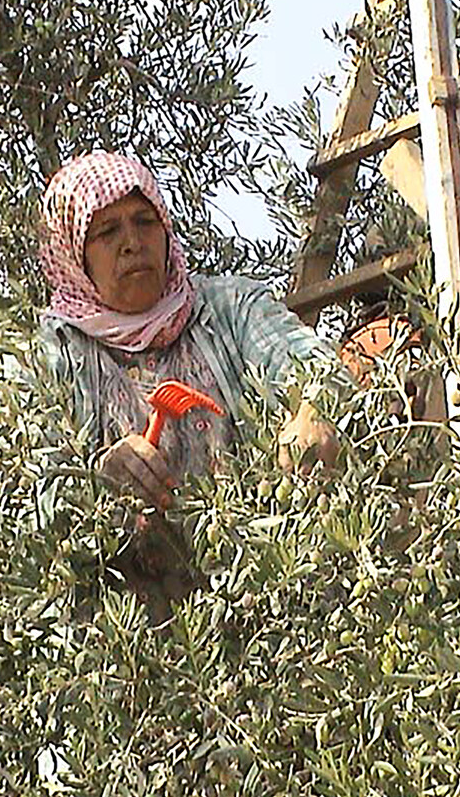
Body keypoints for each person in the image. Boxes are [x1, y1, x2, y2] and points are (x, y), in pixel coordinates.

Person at [35, 151, 340, 612]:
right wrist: (98, 481)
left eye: (145, 222)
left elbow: (316, 366)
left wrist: (313, 409)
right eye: (107, 232)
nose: (132, 243)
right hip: (132, 634)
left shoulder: (229, 308)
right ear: (75, 256)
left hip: (264, 602)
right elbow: (23, 506)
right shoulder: (48, 358)